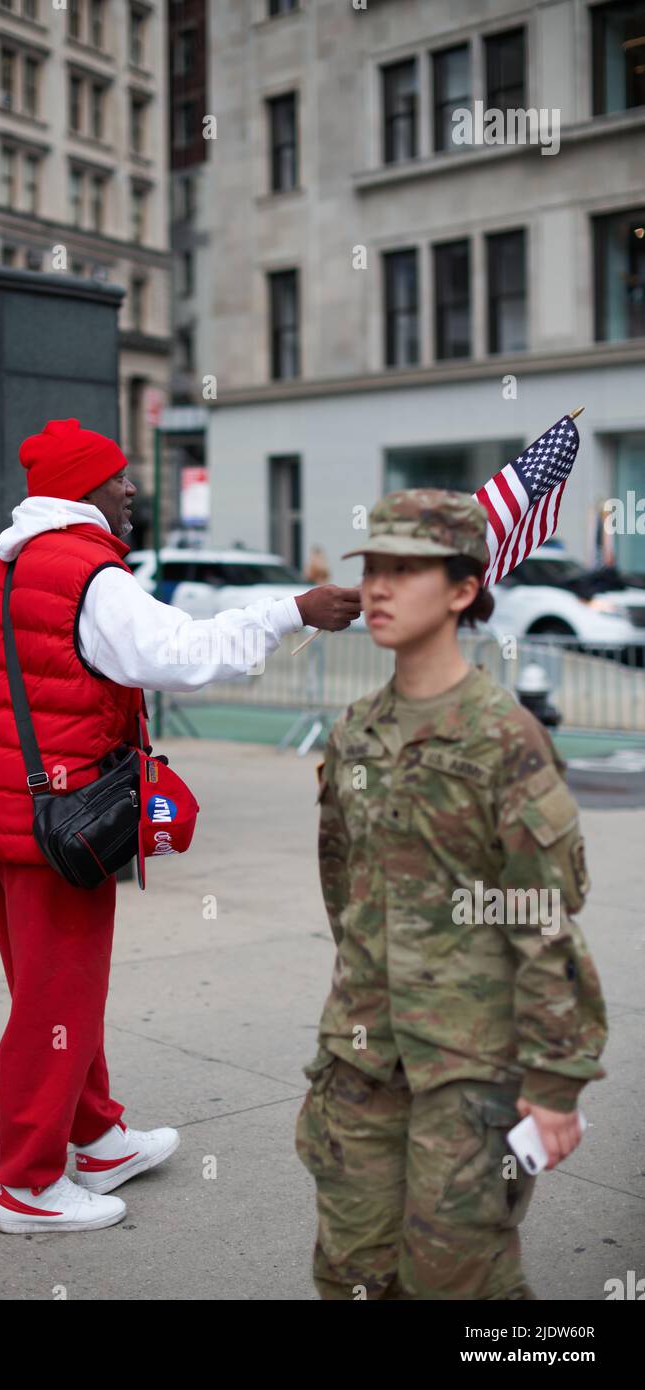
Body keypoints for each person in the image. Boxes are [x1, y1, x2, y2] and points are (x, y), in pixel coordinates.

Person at [0, 417, 362, 1235]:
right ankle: (28, 1188)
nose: (132, 487)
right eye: (116, 477)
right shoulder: (87, 574)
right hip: (57, 825)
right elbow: (178, 653)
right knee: (51, 1002)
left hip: (5, 812)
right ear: (81, 490)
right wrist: (292, 611)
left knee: (57, 989)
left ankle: (98, 1138)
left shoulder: (6, 569)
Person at [294, 488, 608, 1300]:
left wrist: (553, 1085)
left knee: (458, 1282)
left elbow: (544, 921)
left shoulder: (503, 738)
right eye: (374, 569)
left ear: (463, 589)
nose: (378, 589)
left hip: (468, 1069)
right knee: (354, 1272)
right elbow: (342, 882)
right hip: (360, 1058)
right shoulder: (354, 730)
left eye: (407, 570)